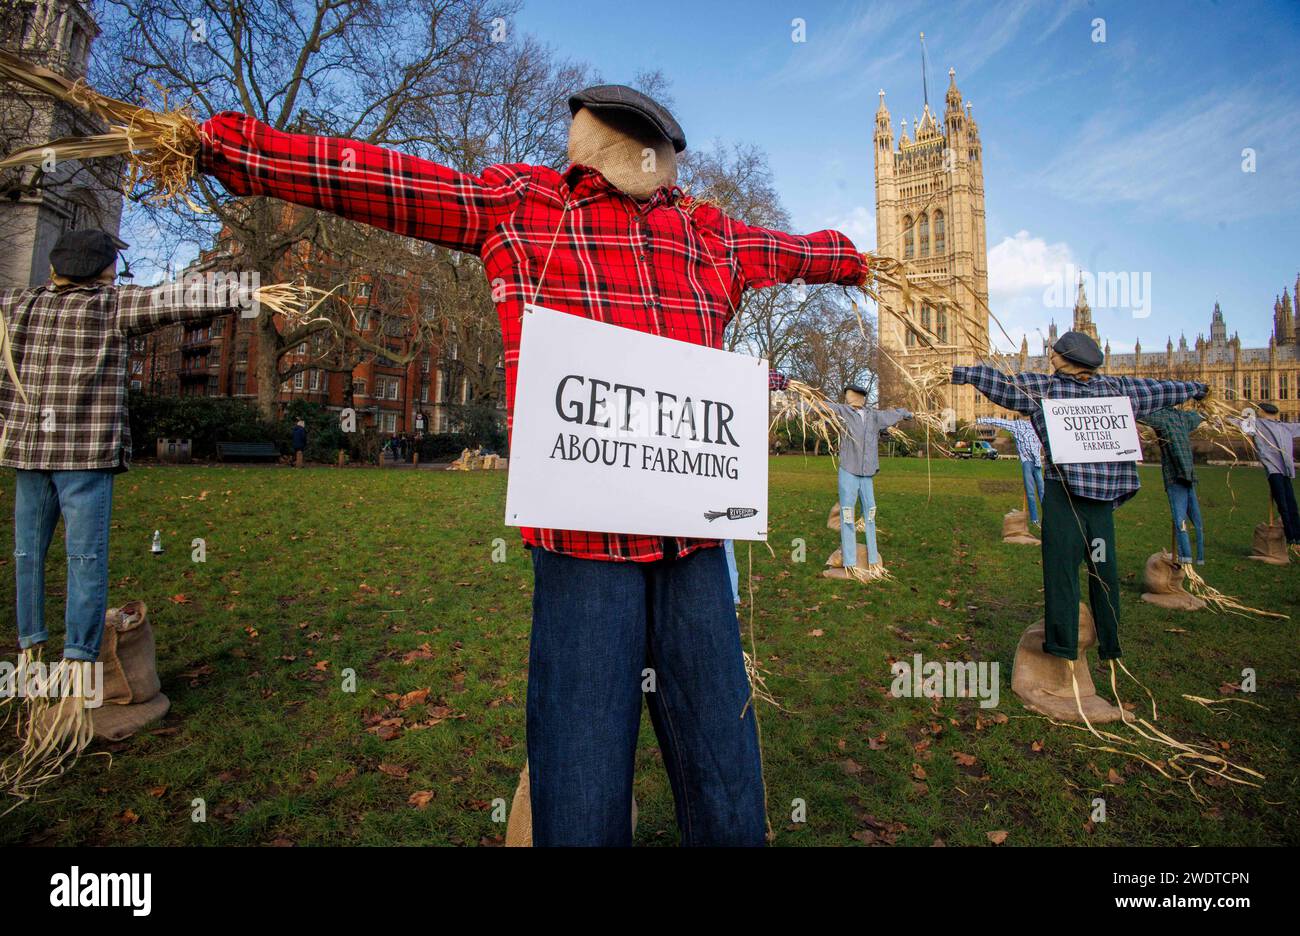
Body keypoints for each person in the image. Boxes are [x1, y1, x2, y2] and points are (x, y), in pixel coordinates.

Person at [195, 85, 870, 845]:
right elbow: (376, 178)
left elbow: (798, 251)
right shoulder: (523, 206)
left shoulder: (708, 236)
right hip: (583, 552)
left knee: (728, 788)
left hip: (694, 550)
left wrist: (860, 263)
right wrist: (234, 149)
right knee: (581, 799)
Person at [0, 229, 253, 663]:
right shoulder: (111, 305)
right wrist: (248, 289)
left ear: (54, 268)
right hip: (85, 453)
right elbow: (178, 300)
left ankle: (30, 647)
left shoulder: (18, 305)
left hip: (29, 450)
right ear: (103, 268)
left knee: (27, 555)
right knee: (84, 559)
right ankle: (78, 660)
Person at [951, 331, 1207, 662]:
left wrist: (963, 373)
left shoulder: (1046, 388)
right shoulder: (1117, 389)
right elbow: (1159, 390)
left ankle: (1063, 644)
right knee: (1103, 567)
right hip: (1101, 503)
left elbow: (1001, 384)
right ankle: (1110, 640)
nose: (1049, 356)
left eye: (1053, 353)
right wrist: (1196, 389)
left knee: (1062, 569)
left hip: (1064, 497)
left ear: (1062, 359)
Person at [821, 385, 911, 579]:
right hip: (848, 471)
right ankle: (850, 562)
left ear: (860, 397)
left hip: (867, 473)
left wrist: (904, 413)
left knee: (870, 514)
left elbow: (891, 414)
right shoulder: (843, 412)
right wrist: (801, 404)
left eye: (853, 396)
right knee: (847, 515)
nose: (850, 400)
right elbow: (822, 406)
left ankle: (872, 562)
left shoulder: (873, 416)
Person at [1138, 406, 1205, 564]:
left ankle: (1185, 556)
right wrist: (1204, 414)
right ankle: (1200, 556)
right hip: (1189, 474)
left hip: (1174, 474)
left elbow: (1142, 415)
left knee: (1179, 518)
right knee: (1197, 520)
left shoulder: (1161, 417)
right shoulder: (1184, 417)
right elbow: (1198, 417)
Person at [1238, 402, 1300, 550]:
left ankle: (1296, 537)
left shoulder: (1283, 426)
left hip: (1284, 470)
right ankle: (1292, 538)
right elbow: (1239, 424)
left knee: (1289, 505)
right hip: (1275, 469)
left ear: (1262, 411)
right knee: (1285, 504)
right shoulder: (1258, 425)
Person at [977, 416, 1045, 525]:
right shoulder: (1018, 425)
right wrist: (981, 420)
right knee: (1031, 492)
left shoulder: (1038, 424)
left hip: (1037, 462)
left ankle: (1046, 517)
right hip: (1027, 462)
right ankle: (1034, 519)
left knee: (1041, 491)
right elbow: (999, 422)